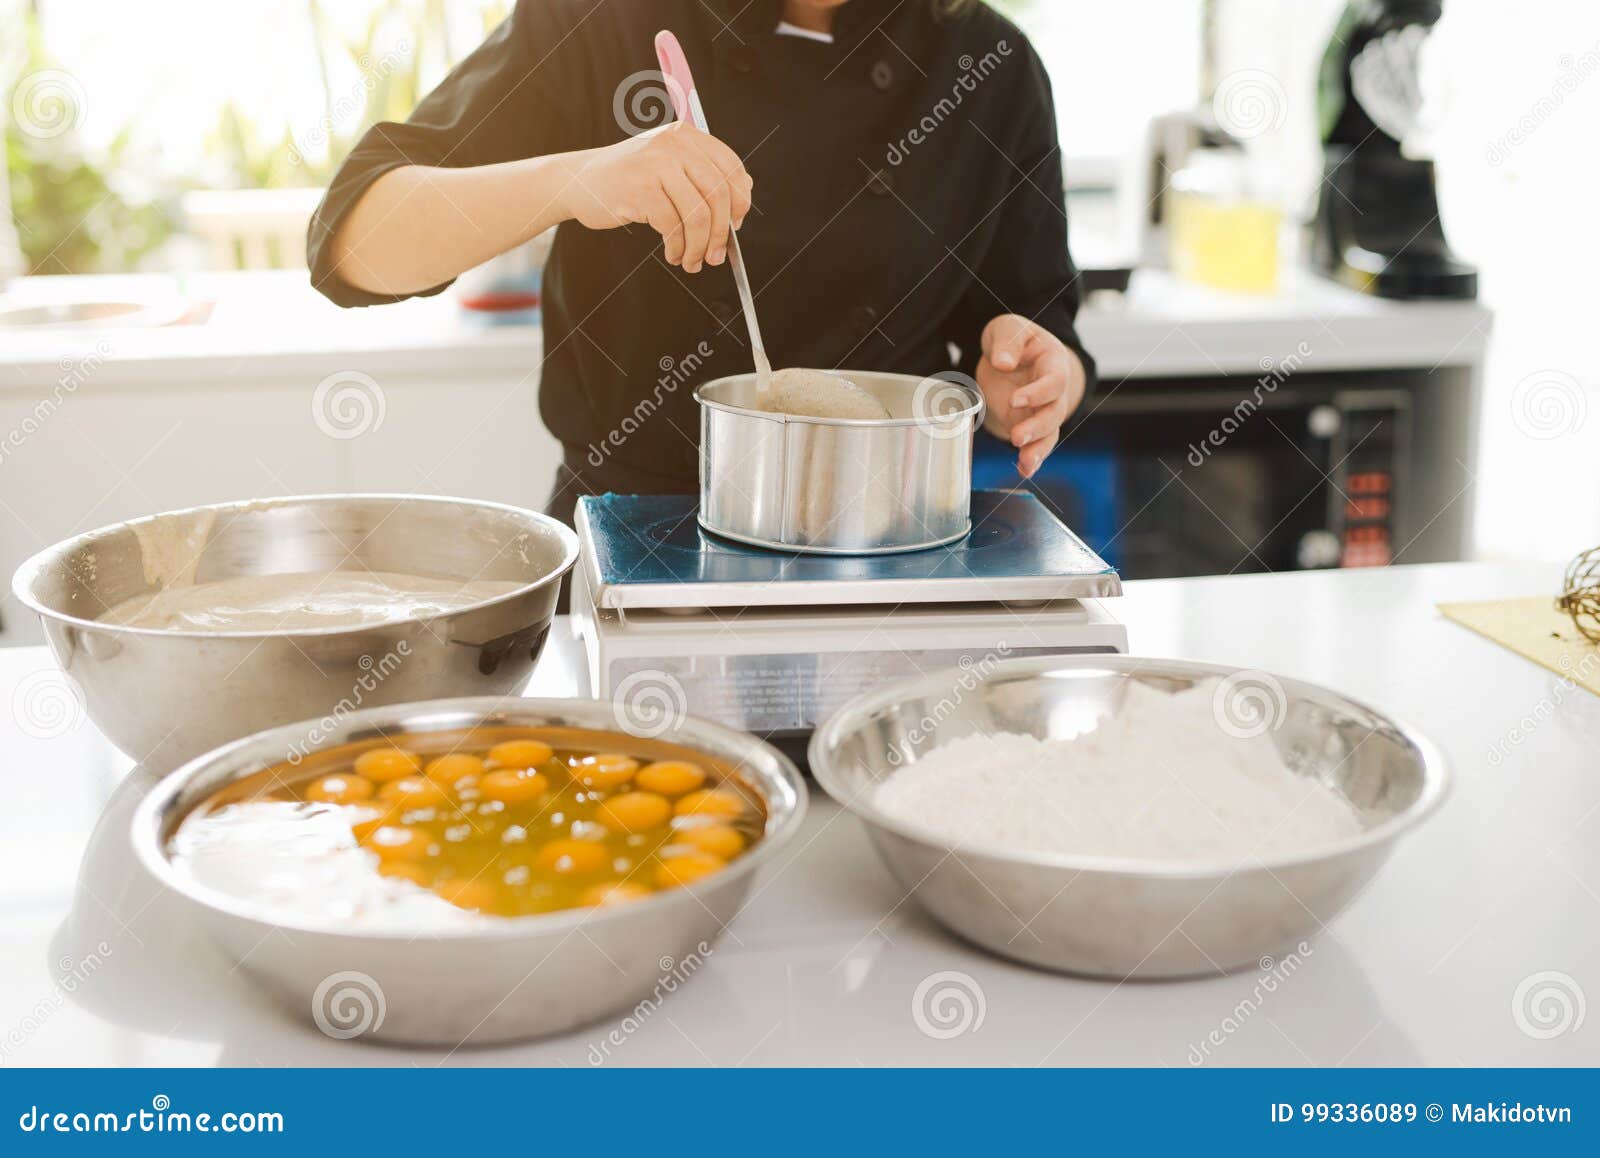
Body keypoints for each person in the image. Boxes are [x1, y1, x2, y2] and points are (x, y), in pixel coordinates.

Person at [309, 0, 1095, 533]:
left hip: (889, 543)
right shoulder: (604, 20)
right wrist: (582, 179)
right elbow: (355, 243)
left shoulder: (987, 62)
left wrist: (1031, 382)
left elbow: (1042, 331)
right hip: (637, 539)